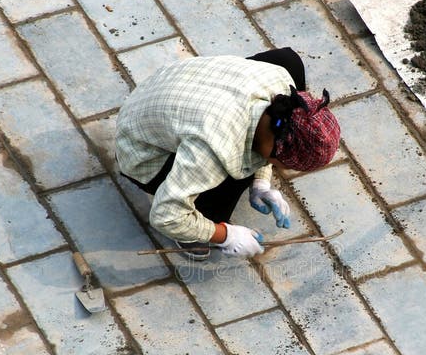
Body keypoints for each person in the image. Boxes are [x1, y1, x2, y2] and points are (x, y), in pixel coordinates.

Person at [115, 48, 340, 260]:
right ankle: (193, 232)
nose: (278, 167)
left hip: (173, 89)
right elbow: (165, 215)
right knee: (226, 187)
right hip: (137, 149)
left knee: (288, 60)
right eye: (281, 163)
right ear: (277, 149)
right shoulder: (214, 147)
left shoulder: (279, 82)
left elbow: (268, 137)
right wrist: (225, 234)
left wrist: (261, 183)